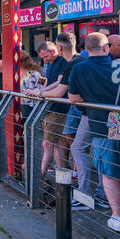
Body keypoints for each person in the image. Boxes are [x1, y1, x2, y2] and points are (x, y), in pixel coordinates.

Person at [67, 32, 120, 231]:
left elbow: (73, 98)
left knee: (107, 170)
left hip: (99, 121)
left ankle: (117, 216)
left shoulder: (79, 68)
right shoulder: (119, 65)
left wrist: (88, 105)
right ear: (105, 47)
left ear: (86, 48)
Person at [32, 34, 75, 182]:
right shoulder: (50, 64)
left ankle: (38, 178)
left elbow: (59, 83)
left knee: (47, 143)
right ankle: (62, 174)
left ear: (54, 50)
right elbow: (50, 81)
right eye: (43, 58)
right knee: (56, 144)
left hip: (59, 107)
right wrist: (40, 88)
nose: (45, 60)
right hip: (51, 106)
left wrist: (41, 92)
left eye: (46, 56)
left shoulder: (64, 61)